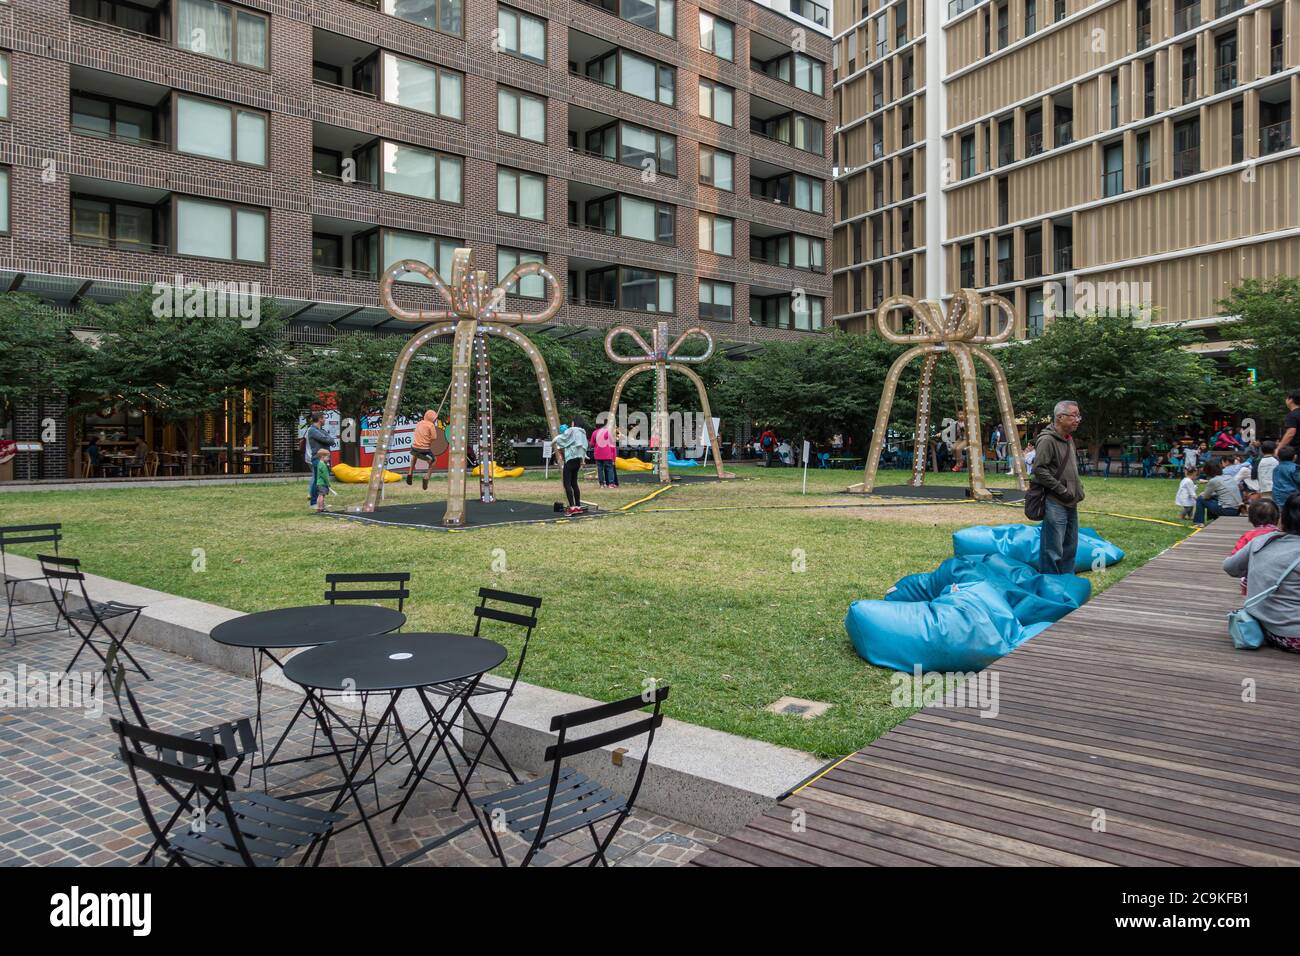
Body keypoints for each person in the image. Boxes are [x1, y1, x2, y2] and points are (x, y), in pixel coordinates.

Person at [1222, 492, 1300, 653]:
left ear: (1283, 517)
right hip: (1293, 635)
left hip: (1263, 626)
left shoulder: (1261, 541)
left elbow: (1230, 567)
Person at [1032, 400, 1085, 575]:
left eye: (1079, 415)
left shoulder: (1069, 439)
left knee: (1070, 546)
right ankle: (1050, 582)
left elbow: (1071, 468)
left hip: (1071, 501)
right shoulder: (1047, 440)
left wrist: (1079, 489)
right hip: (1055, 501)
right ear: (1060, 417)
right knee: (1053, 547)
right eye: (1074, 415)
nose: (1078, 419)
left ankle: (1066, 580)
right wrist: (1061, 490)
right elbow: (1039, 470)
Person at [1230, 498, 1280, 595]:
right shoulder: (1281, 535)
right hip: (1277, 577)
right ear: (1277, 517)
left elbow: (1235, 557)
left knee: (1253, 598)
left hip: (1253, 579)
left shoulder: (1248, 536)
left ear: (1251, 518)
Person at [554, 416, 589, 515]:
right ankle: (578, 506)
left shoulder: (572, 430)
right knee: (574, 483)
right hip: (578, 460)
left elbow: (563, 440)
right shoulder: (582, 432)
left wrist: (556, 439)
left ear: (574, 423)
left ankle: (572, 508)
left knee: (567, 483)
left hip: (570, 460)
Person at [1192, 460, 1244, 525]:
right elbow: (1224, 492)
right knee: (1213, 497)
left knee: (1200, 499)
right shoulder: (1229, 477)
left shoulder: (1213, 480)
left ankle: (1198, 522)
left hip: (1227, 511)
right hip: (1237, 510)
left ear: (1208, 471)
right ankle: (1214, 519)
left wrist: (1203, 494)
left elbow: (1206, 497)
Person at [305, 411, 333, 509]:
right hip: (317, 459)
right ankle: (314, 503)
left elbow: (331, 440)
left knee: (321, 482)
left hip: (323, 459)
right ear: (320, 419)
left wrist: (328, 438)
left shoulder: (321, 430)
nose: (325, 420)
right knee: (318, 481)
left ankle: (320, 502)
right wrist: (327, 439)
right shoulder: (312, 430)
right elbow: (328, 440)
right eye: (324, 418)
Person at [406, 410, 439, 490]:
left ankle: (410, 473)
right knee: (434, 460)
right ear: (432, 418)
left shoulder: (419, 423)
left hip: (414, 448)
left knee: (415, 456)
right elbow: (434, 437)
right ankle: (426, 477)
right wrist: (429, 441)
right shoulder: (431, 425)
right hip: (424, 450)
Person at [591, 420, 618, 488]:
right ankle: (611, 484)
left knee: (600, 469)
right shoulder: (607, 432)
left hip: (598, 453)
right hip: (607, 453)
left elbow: (592, 444)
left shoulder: (594, 433)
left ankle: (602, 484)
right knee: (609, 468)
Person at [1272, 445, 1299, 511]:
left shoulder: (1276, 469)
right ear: (1295, 457)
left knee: (1281, 514)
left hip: (1278, 497)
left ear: (1278, 457)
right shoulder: (1295, 468)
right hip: (1293, 497)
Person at [1279, 390, 1300, 456]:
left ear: (1290, 400)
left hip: (1297, 452)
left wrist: (1279, 448)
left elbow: (1290, 433)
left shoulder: (1292, 415)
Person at [313, 449, 332, 513]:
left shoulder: (319, 464)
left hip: (319, 483)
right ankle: (321, 508)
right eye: (328, 457)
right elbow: (325, 476)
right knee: (322, 495)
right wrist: (328, 483)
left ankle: (319, 507)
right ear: (322, 457)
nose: (328, 459)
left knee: (320, 495)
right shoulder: (323, 465)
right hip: (323, 483)